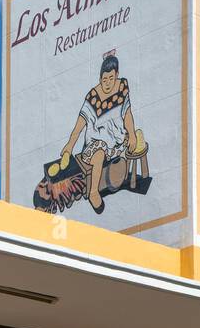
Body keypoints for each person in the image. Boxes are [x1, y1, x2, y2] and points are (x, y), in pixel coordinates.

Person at [57, 52, 143, 214]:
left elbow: (127, 114)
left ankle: (122, 177)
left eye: (111, 78)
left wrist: (131, 133)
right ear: (99, 79)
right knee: (99, 152)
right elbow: (80, 124)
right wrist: (69, 146)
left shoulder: (122, 87)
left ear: (116, 75)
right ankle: (93, 192)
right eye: (104, 80)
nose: (108, 83)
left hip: (116, 140)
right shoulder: (93, 96)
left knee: (135, 139)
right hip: (95, 143)